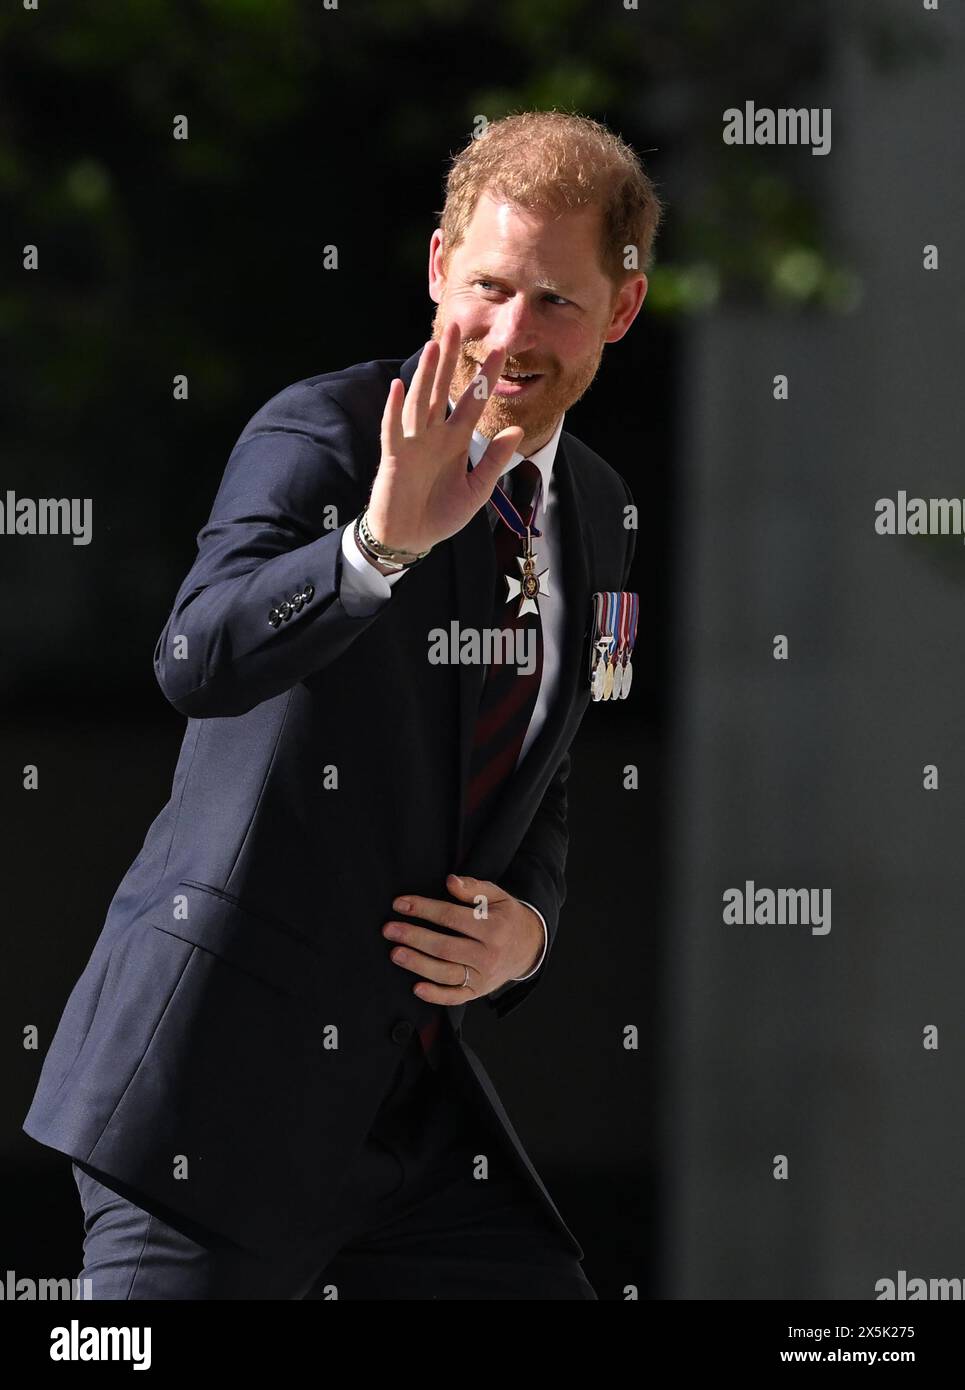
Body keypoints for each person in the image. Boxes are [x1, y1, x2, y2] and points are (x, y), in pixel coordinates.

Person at [22, 109, 661, 1299]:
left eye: (556, 303)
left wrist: (527, 926)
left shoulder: (602, 509)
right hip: (208, 1102)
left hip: (411, 1123)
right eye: (487, 286)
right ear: (435, 268)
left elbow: (547, 764)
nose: (509, 335)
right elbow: (195, 658)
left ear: (621, 309)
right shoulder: (323, 436)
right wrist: (374, 550)